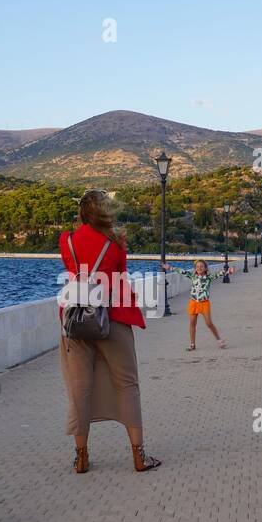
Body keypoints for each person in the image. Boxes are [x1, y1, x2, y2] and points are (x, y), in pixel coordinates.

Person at [59, 189, 160, 474]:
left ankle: (81, 457)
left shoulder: (67, 241)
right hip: (113, 314)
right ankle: (139, 456)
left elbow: (73, 271)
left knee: (80, 387)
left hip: (77, 319)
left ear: (82, 212)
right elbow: (120, 273)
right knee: (127, 384)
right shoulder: (116, 242)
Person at [161, 258, 229, 351]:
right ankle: (192, 344)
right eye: (197, 266)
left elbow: (219, 274)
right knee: (192, 324)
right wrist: (170, 267)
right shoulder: (193, 276)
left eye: (201, 266)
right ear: (195, 268)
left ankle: (219, 339)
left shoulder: (209, 277)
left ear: (205, 268)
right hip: (194, 303)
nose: (199, 268)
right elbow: (182, 271)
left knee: (209, 323)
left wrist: (229, 271)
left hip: (204, 303)